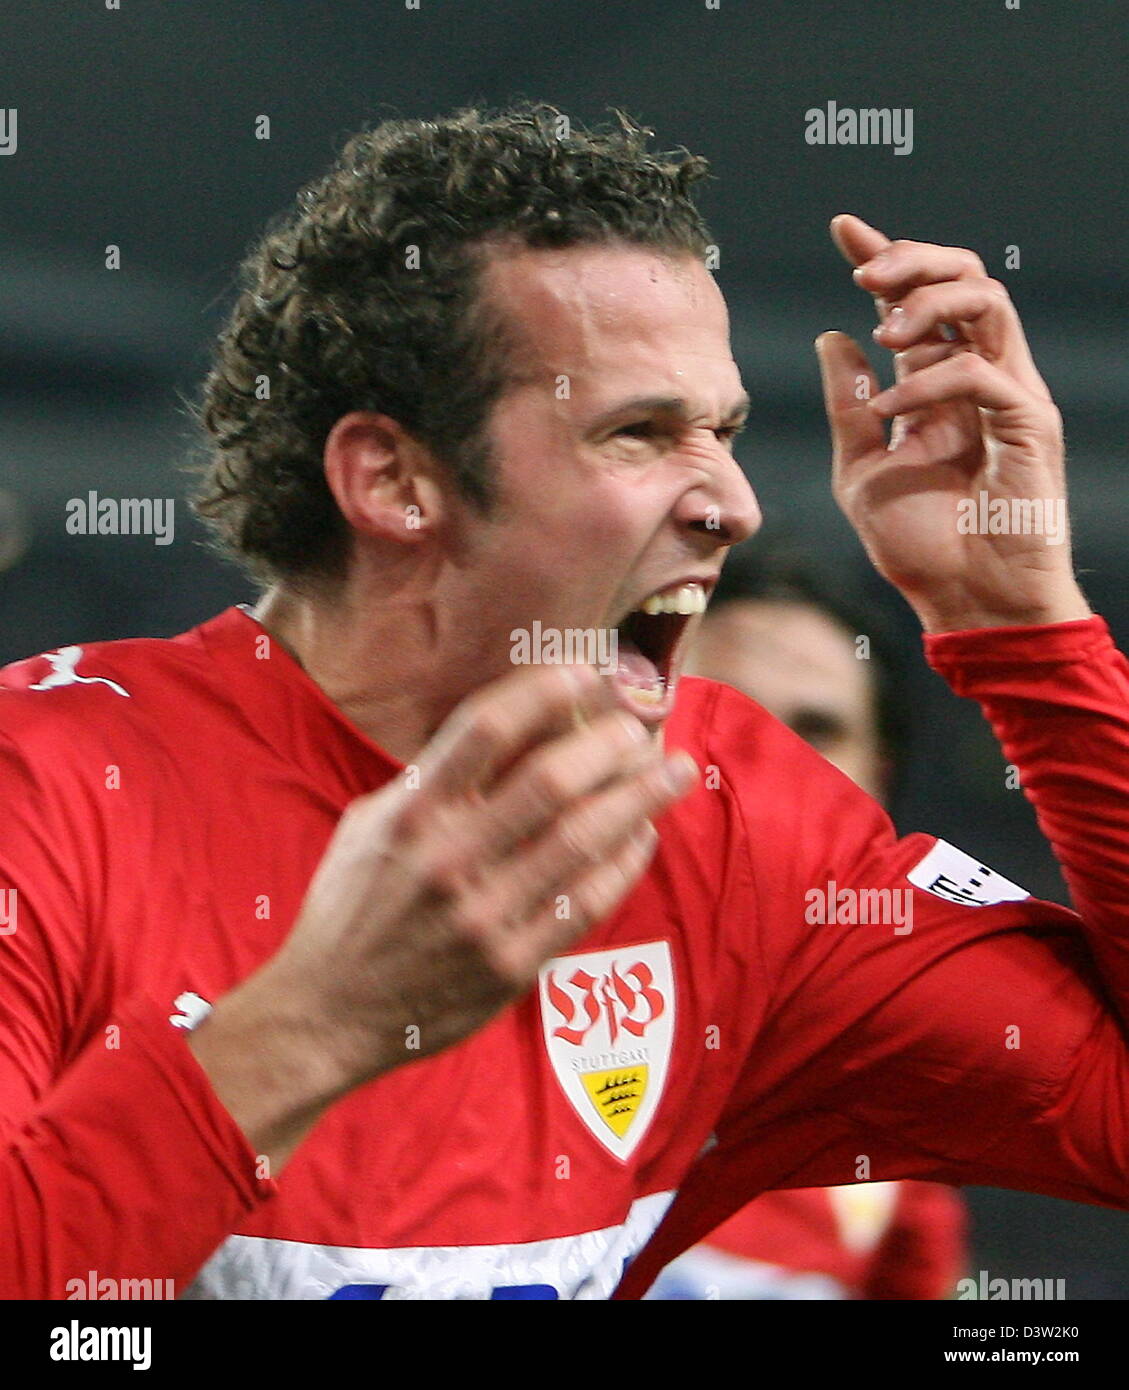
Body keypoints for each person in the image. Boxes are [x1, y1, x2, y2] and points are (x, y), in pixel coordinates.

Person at [0, 104, 1125, 1302]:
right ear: (393, 480)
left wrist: (1025, 629)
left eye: (725, 432)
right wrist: (309, 1030)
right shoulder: (51, 790)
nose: (732, 507)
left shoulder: (739, 826)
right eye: (640, 433)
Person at [649, 541, 968, 1299]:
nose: (773, 766)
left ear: (877, 782)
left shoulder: (888, 1155)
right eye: (726, 713)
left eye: (817, 731)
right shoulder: (450, 1000)